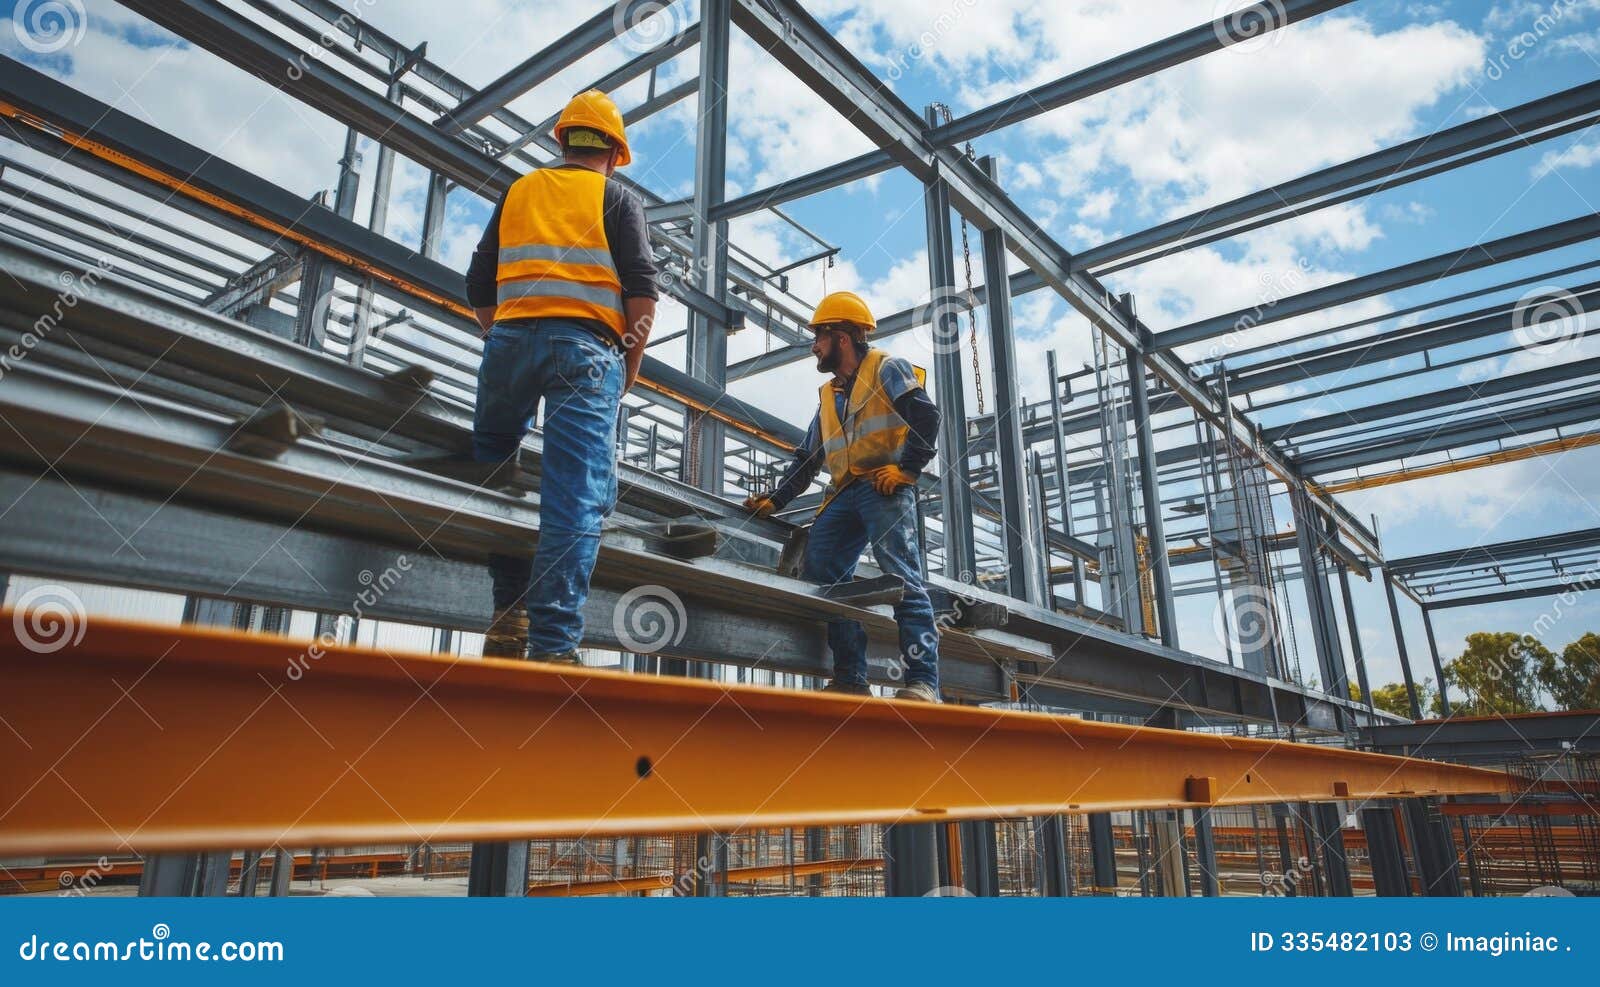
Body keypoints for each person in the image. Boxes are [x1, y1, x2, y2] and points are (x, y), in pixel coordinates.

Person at [463, 90, 658, 661]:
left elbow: (478, 284)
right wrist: (628, 367)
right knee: (573, 496)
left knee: (495, 468)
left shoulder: (520, 190)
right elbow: (642, 293)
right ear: (614, 150)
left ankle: (507, 616)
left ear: (565, 139)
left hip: (509, 344)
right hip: (587, 352)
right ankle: (552, 645)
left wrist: (503, 335)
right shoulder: (616, 198)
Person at [743, 291, 943, 701]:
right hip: (843, 494)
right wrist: (776, 501)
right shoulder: (828, 395)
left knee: (902, 578)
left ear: (843, 338)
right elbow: (809, 457)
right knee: (823, 571)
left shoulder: (888, 367)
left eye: (819, 336)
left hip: (883, 487)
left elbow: (926, 415)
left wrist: (907, 470)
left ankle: (923, 680)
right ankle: (851, 676)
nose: (814, 346)